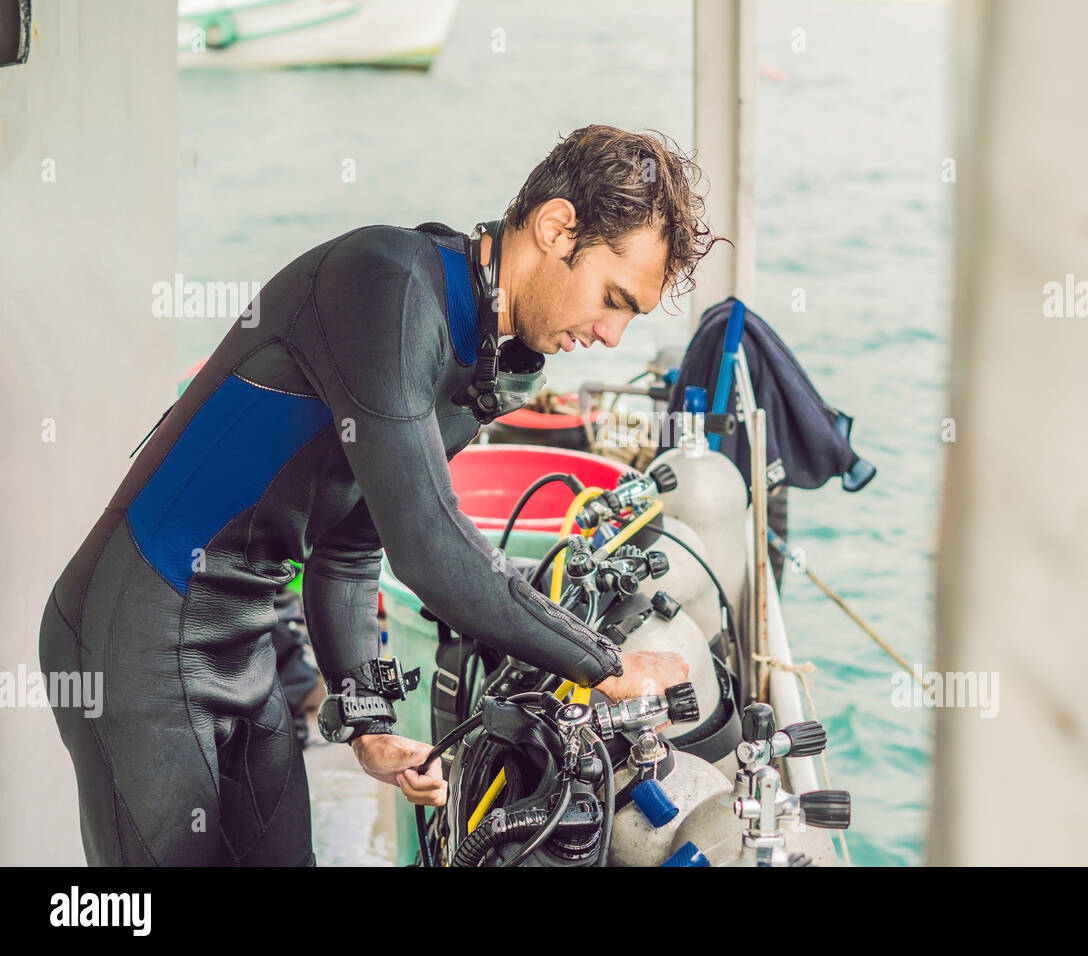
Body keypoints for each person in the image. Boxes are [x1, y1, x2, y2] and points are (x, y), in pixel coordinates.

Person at [38, 124, 719, 865]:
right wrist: (605, 664)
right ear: (558, 227)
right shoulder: (386, 283)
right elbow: (428, 546)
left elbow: (352, 551)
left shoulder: (484, 362)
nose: (614, 335)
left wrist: (367, 719)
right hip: (133, 628)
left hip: (243, 634)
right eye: (613, 298)